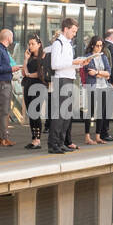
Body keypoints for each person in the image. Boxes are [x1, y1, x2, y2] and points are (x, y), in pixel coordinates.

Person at [46, 17, 87, 154]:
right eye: (73, 31)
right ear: (66, 29)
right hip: (61, 79)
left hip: (69, 78)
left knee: (66, 114)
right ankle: (53, 144)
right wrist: (73, 63)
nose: (74, 34)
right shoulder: (58, 44)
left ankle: (61, 142)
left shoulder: (68, 43)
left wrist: (80, 64)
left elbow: (68, 63)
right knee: (59, 114)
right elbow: (55, 65)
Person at [0, 28, 20, 146]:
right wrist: (11, 69)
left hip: (2, 82)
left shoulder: (0, 50)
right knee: (4, 111)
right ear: (8, 38)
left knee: (2, 111)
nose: (12, 39)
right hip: (2, 83)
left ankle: (0, 137)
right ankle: (4, 138)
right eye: (11, 36)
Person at [81, 35, 111, 144]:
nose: (99, 48)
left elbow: (109, 72)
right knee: (91, 111)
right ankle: (87, 137)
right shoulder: (88, 57)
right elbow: (90, 72)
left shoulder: (104, 57)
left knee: (101, 112)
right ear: (92, 45)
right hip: (92, 86)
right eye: (97, 46)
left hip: (103, 87)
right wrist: (103, 74)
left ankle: (98, 136)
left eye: (101, 46)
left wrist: (98, 73)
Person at [22, 34, 47, 148]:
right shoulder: (30, 57)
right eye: (29, 44)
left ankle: (38, 140)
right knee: (30, 113)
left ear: (39, 45)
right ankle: (33, 138)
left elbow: (40, 73)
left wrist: (28, 75)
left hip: (38, 86)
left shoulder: (44, 56)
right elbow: (24, 73)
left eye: (33, 44)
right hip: (28, 86)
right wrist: (25, 59)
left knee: (35, 112)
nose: (30, 46)